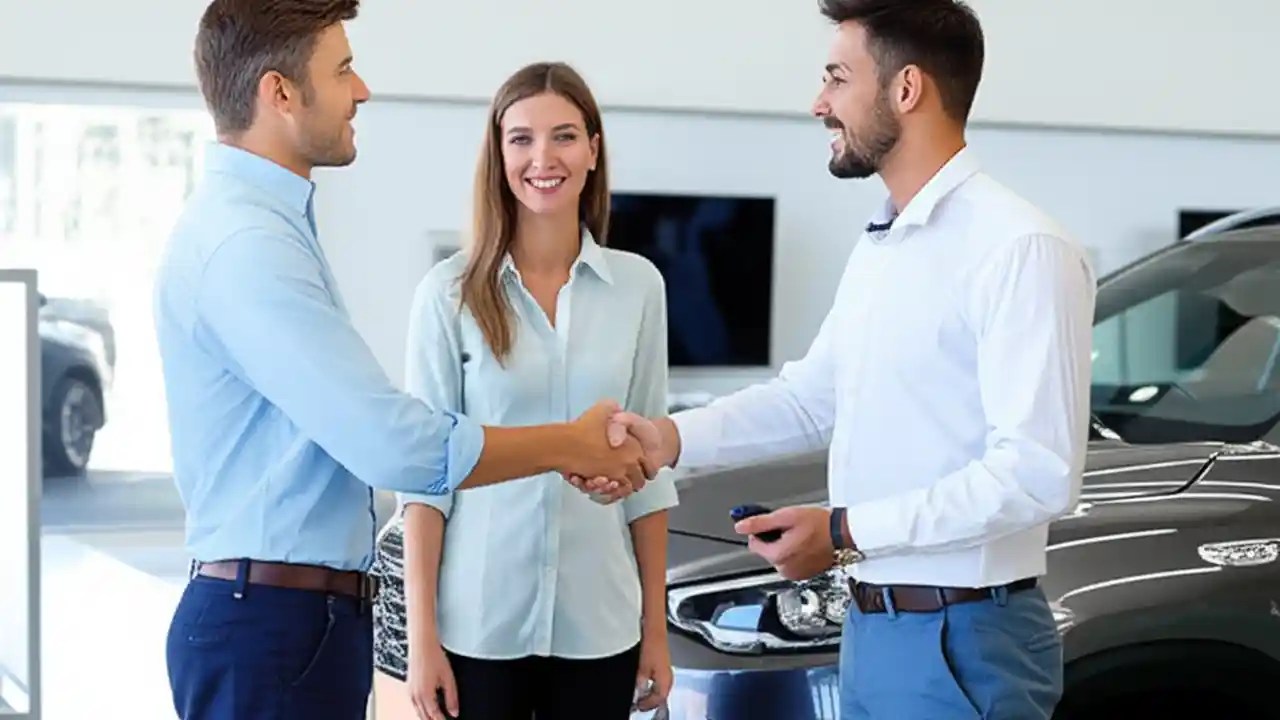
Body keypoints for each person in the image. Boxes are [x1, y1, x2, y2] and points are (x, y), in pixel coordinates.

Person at [153, 3, 653, 719]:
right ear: (280, 93)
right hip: (271, 625)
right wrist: (568, 444)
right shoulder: (247, 245)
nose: (362, 90)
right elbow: (394, 446)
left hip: (295, 622)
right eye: (343, 68)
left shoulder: (263, 228)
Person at [602, 1, 1096, 718]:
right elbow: (811, 398)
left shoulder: (1019, 248)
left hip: (964, 638)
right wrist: (669, 438)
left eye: (837, 78)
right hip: (871, 628)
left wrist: (842, 531)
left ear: (906, 90)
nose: (818, 104)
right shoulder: (884, 246)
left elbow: (1037, 473)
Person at [369, 61, 679, 720]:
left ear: (594, 150)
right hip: (479, 624)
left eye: (565, 136)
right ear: (498, 153)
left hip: (602, 624)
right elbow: (427, 480)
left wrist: (656, 630)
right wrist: (420, 641)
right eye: (522, 139)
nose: (544, 157)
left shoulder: (640, 288)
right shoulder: (447, 294)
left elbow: (650, 472)